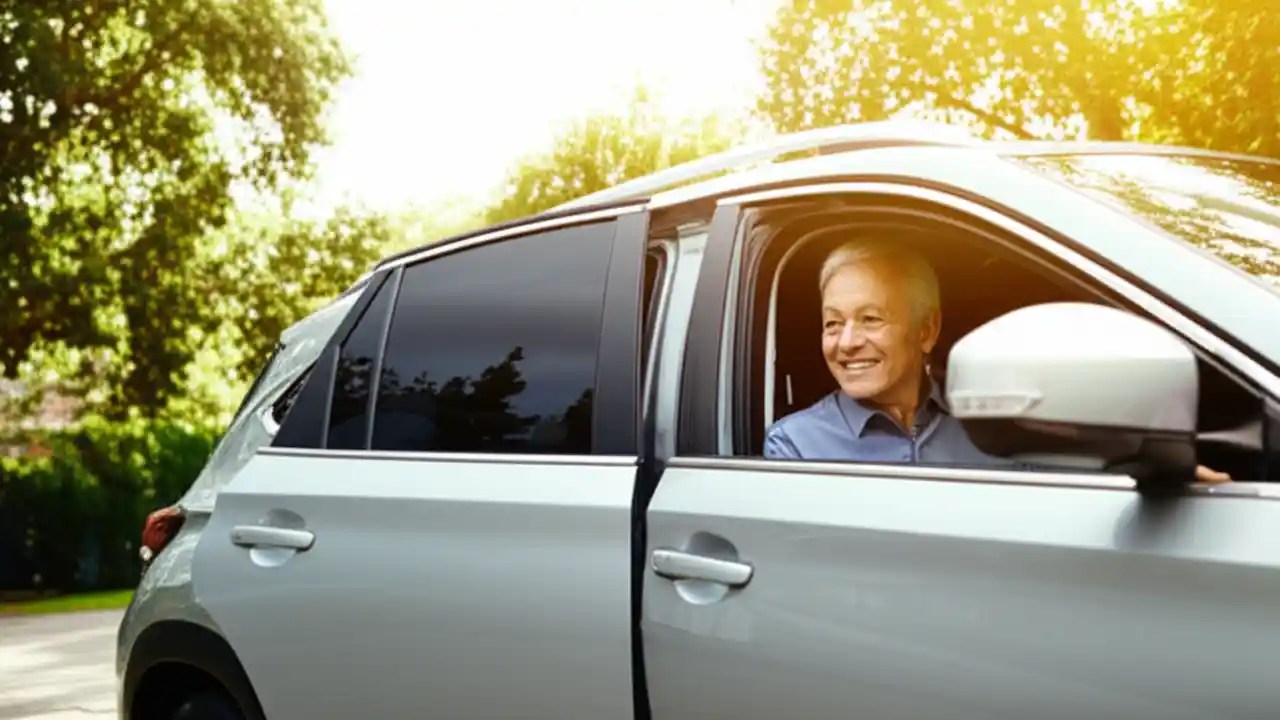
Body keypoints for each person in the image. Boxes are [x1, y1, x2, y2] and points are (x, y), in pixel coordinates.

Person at [763, 238, 1232, 483]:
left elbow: (1068, 475)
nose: (846, 342)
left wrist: (1156, 471)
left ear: (926, 331)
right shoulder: (794, 446)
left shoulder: (995, 415)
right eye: (831, 323)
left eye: (869, 319)